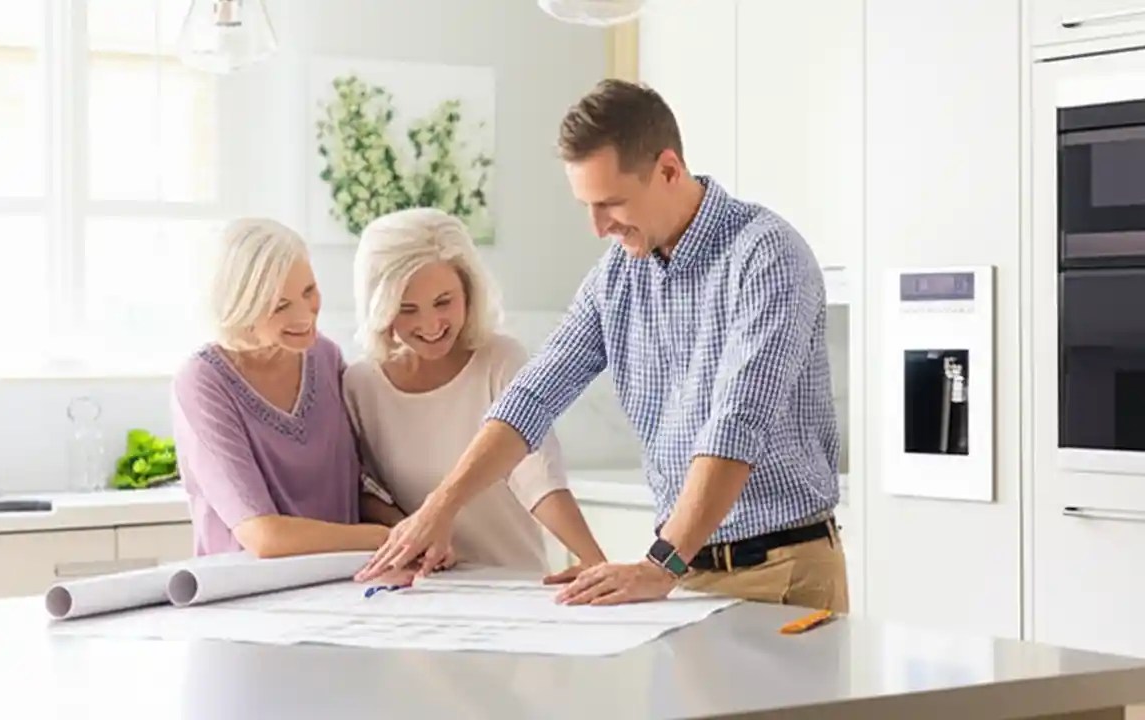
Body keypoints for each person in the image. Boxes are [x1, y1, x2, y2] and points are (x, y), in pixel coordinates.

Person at [357, 79, 848, 612]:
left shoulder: (766, 256)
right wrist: (439, 509)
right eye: (586, 205)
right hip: (683, 575)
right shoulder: (618, 274)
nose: (596, 227)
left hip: (779, 571)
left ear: (668, 170)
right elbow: (531, 398)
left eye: (611, 203)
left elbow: (737, 422)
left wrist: (661, 563)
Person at [342, 207, 606, 574]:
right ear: (381, 309)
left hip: (512, 581)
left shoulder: (499, 359)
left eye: (443, 302)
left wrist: (594, 560)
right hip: (423, 588)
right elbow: (364, 491)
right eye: (407, 309)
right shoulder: (361, 385)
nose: (430, 324)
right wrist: (412, 534)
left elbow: (537, 475)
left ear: (468, 290)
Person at [172, 218, 398, 558]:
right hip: (250, 598)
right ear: (241, 309)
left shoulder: (324, 355)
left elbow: (356, 488)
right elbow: (264, 536)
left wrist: (415, 530)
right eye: (280, 305)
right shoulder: (203, 382)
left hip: (341, 585)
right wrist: (387, 539)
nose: (305, 316)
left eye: (308, 291)